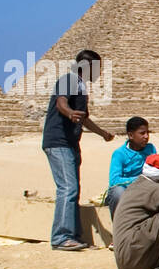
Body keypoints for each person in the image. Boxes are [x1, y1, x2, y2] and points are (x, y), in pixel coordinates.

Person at [42, 49, 114, 250]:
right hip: (59, 141)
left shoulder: (81, 86)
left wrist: (102, 133)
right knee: (68, 188)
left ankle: (74, 237)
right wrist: (69, 112)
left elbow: (85, 118)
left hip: (70, 143)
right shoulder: (69, 80)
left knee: (73, 189)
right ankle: (61, 237)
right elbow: (61, 103)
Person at [106, 117, 157, 216]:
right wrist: (139, 179)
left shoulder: (150, 149)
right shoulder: (119, 154)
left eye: (148, 133)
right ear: (131, 135)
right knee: (118, 192)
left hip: (144, 189)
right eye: (142, 133)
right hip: (125, 190)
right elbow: (114, 181)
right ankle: (120, 227)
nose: (146, 136)